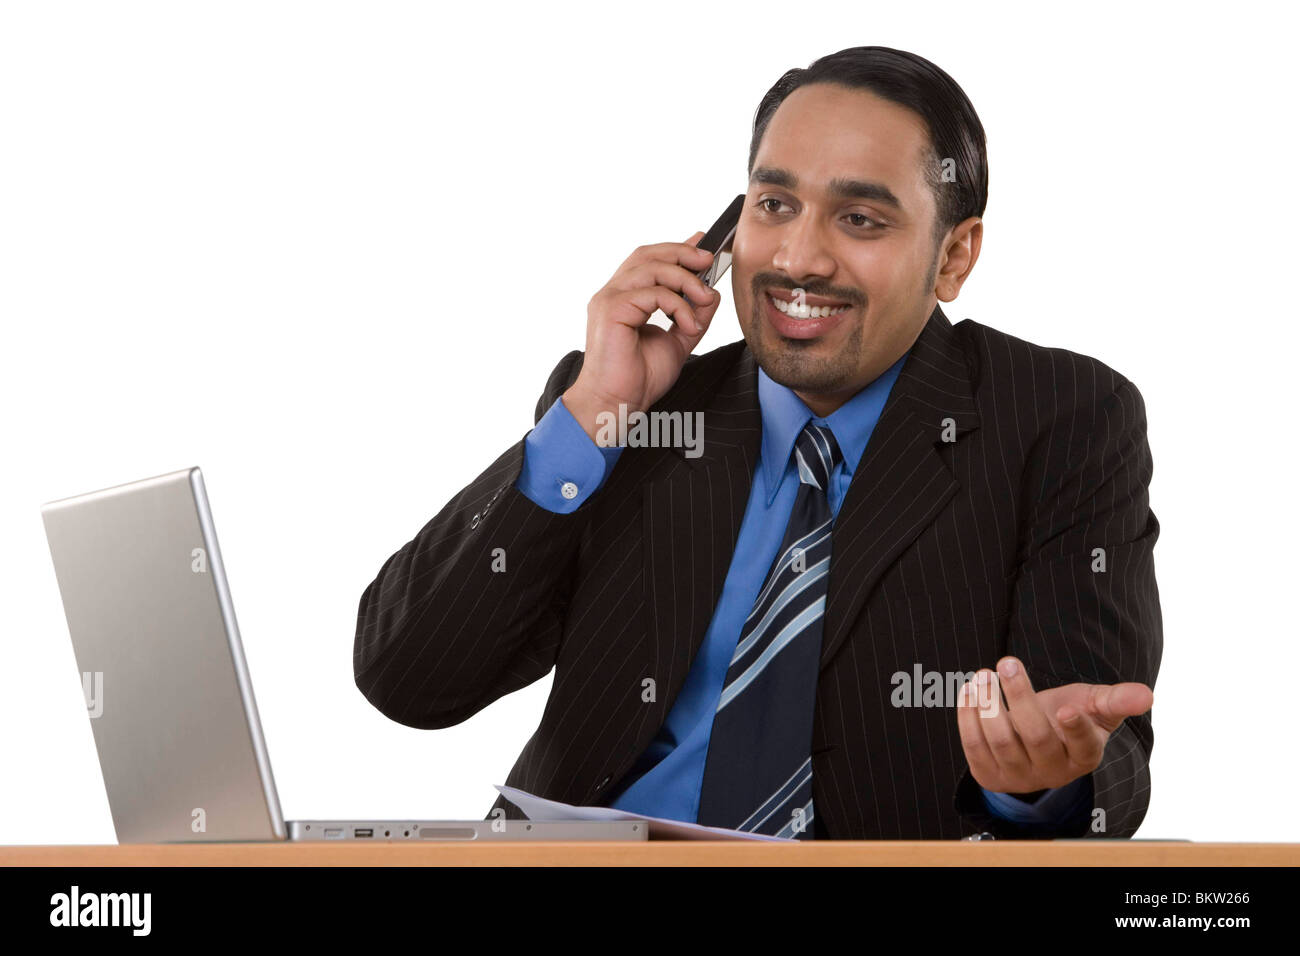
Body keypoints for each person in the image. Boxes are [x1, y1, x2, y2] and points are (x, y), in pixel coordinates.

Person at [353, 46, 1161, 839]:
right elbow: (409, 679)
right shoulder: (631, 411)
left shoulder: (1064, 419)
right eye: (774, 205)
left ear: (953, 256)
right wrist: (594, 412)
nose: (798, 259)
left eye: (860, 219)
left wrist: (1043, 784)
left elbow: (1101, 753)